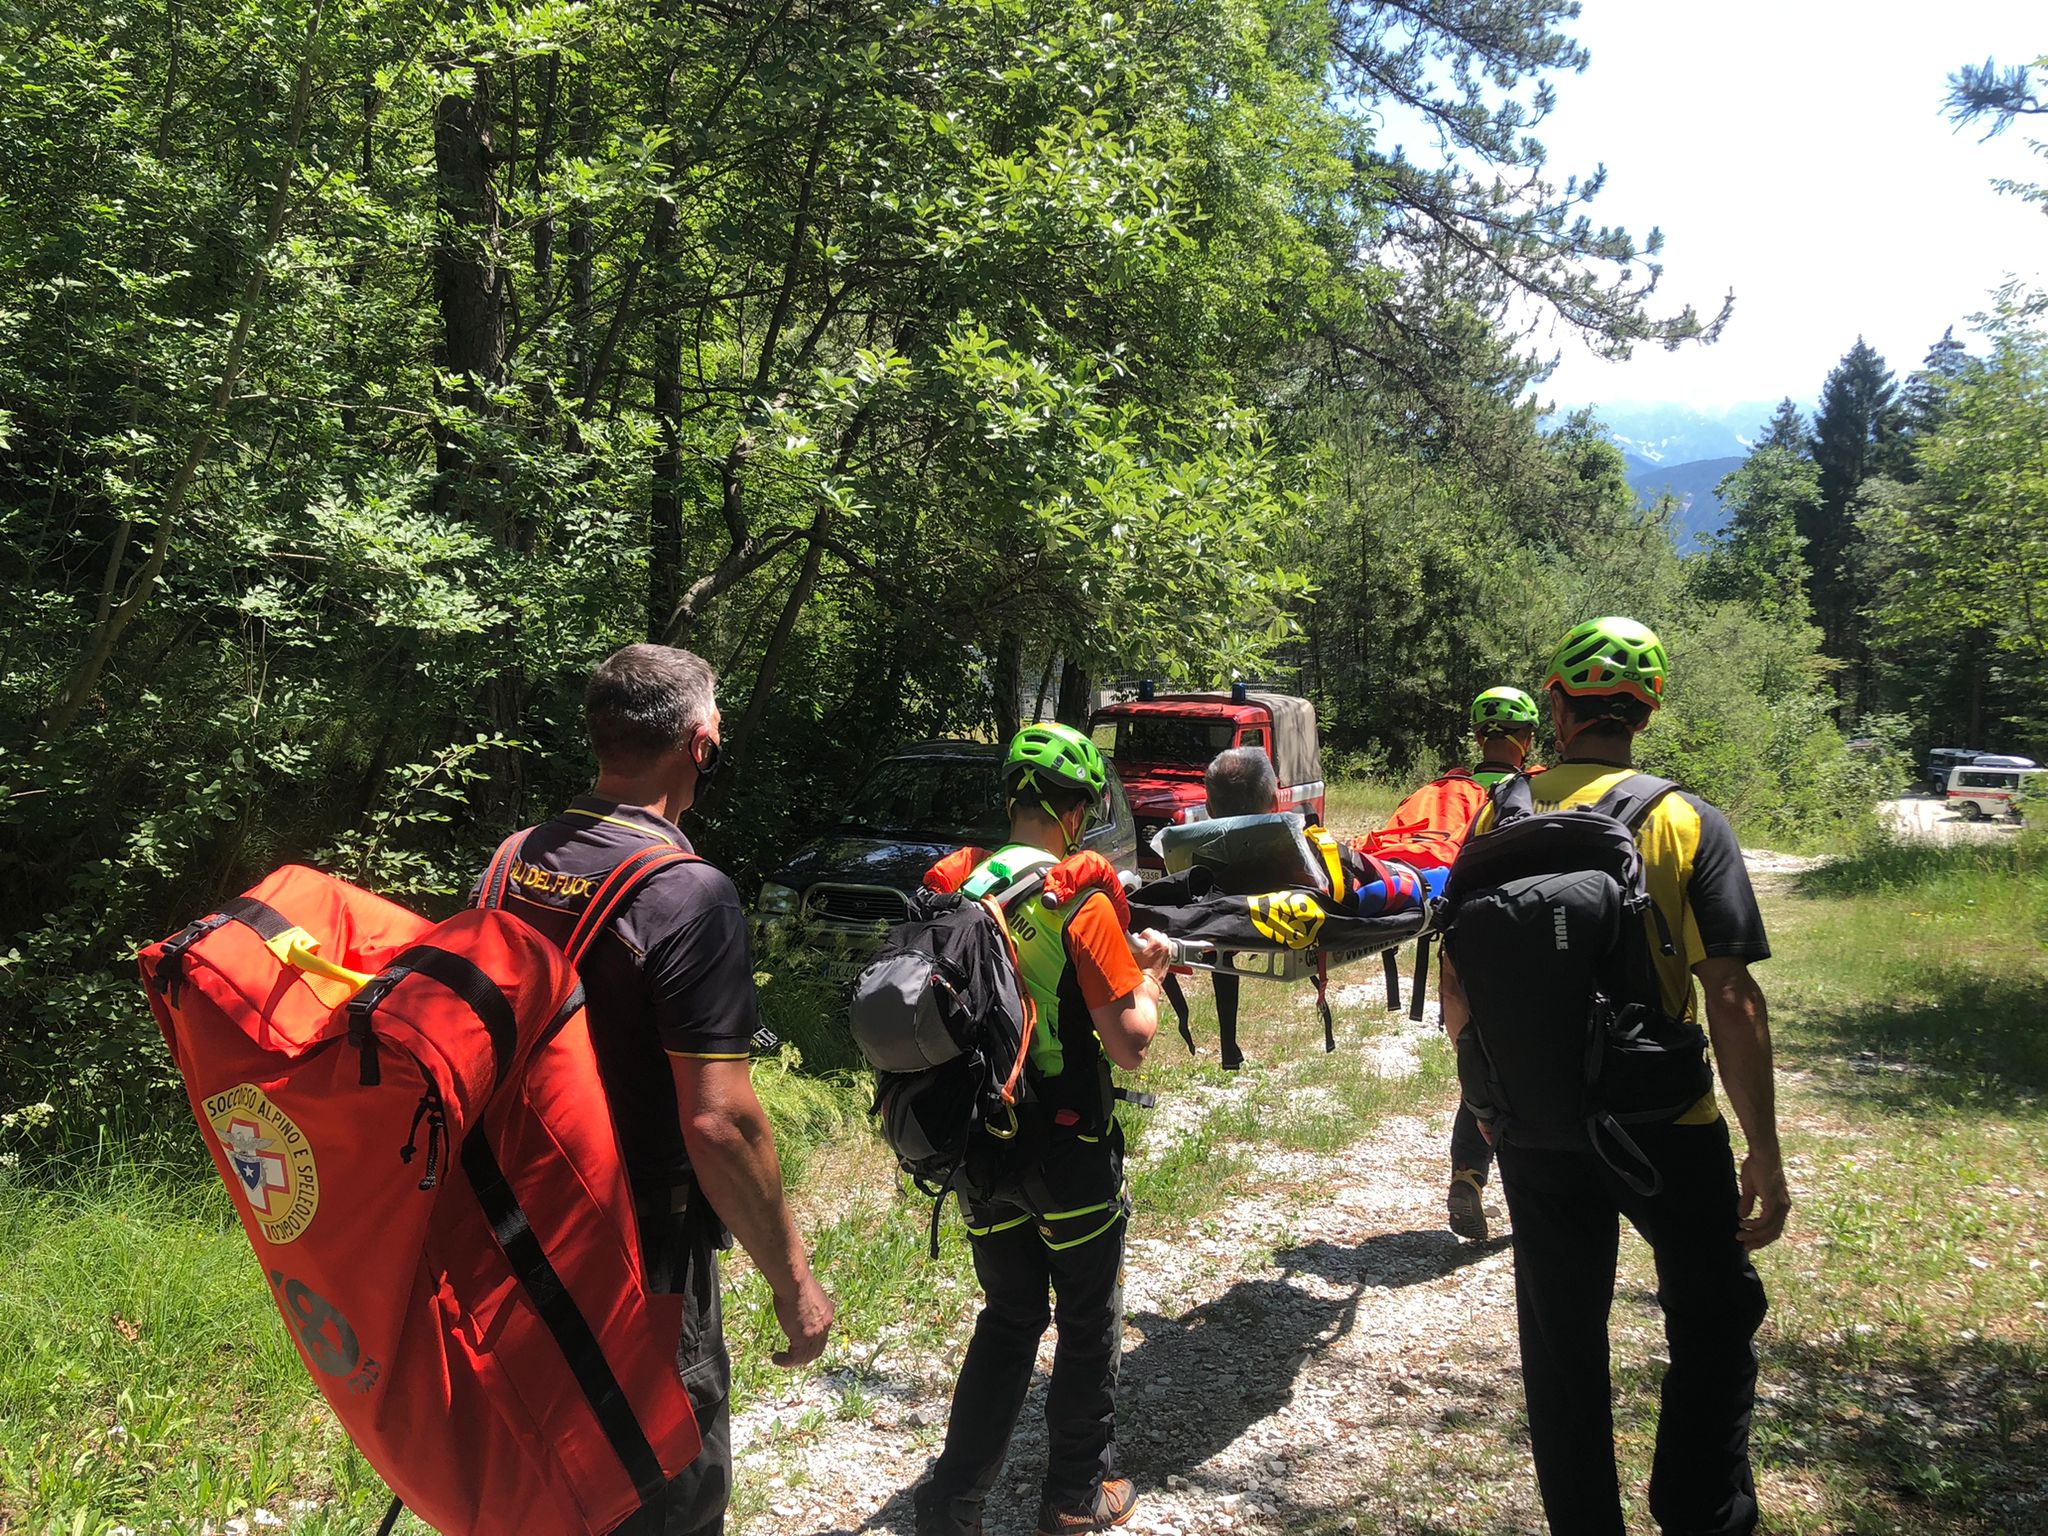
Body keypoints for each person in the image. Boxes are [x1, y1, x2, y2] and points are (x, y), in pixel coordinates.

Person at [1440, 617, 1790, 1536]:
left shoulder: (1498, 811)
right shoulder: (1685, 818)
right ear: (1645, 713)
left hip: (1539, 1124)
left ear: (1555, 706)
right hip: (1665, 1119)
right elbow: (1732, 995)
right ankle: (1702, 1515)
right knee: (1713, 1317)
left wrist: (1487, 1098)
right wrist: (1765, 1153)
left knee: (1561, 1347)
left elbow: (1459, 985)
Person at [482, 644, 833, 1536]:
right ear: (701, 742)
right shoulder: (687, 895)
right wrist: (795, 1286)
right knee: (662, 1485)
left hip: (513, 1229)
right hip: (641, 1255)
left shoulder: (513, 860)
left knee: (555, 1471)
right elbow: (719, 1122)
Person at [915, 722, 1172, 1536]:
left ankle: (952, 1501)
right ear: (1082, 809)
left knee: (1010, 1314)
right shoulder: (1079, 899)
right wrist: (1153, 980)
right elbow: (1129, 1045)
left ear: (1013, 800)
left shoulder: (955, 889)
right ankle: (1073, 1495)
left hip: (977, 1146)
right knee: (1089, 1316)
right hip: (1066, 1146)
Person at [1446, 685, 1544, 1240]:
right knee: (1526, 1076)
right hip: (1528, 945)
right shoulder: (1537, 791)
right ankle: (1526, 1194)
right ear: (1527, 739)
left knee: (1477, 1068)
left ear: (1479, 736)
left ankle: (1469, 1174)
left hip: (1462, 948)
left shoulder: (1448, 791)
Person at [1192, 745, 1287, 1069]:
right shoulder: (1291, 851)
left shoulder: (1195, 857)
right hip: (1279, 922)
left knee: (1223, 956)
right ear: (1274, 804)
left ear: (1208, 808)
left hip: (1218, 925)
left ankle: (1228, 1044)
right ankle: (1228, 1045)